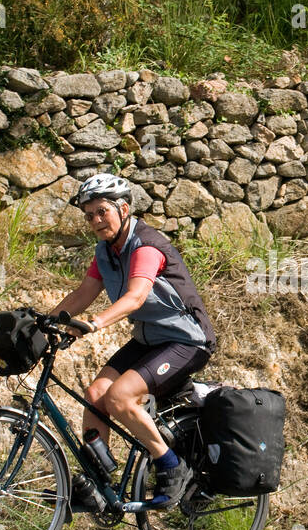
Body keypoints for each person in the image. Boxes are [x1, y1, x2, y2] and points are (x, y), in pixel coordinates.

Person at [49, 173, 216, 508]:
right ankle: (101, 482)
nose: (95, 220)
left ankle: (171, 465)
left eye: (102, 212)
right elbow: (84, 293)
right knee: (96, 395)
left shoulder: (146, 245)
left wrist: (93, 324)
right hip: (150, 340)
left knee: (121, 397)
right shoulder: (105, 251)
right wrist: (46, 323)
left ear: (123, 209)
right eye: (89, 215)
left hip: (186, 340)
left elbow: (136, 297)